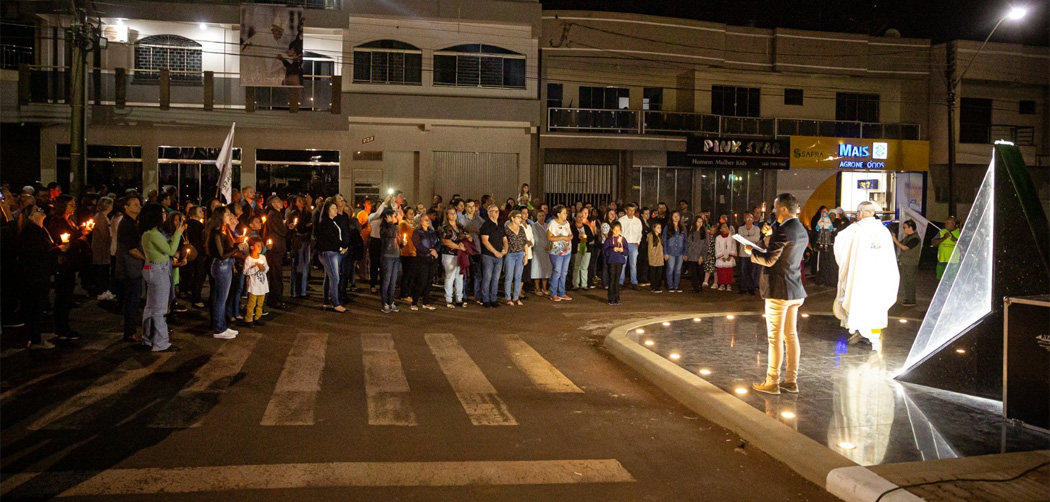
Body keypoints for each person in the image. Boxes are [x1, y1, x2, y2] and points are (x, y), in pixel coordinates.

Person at [745, 193, 809, 395]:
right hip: (795, 289)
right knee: (791, 336)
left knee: (775, 338)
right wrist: (768, 238)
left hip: (778, 290)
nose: (773, 211)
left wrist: (751, 252)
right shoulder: (800, 229)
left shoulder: (783, 230)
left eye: (775, 208)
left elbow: (770, 260)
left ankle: (772, 381)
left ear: (782, 209)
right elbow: (783, 255)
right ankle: (791, 380)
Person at [833, 201, 900, 353]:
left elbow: (840, 245)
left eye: (857, 214)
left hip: (859, 278)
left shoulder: (855, 230)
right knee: (875, 306)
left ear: (861, 213)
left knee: (857, 303)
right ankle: (873, 339)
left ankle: (859, 330)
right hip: (878, 278)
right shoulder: (883, 231)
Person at [20, 204, 68, 349]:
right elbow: (39, 253)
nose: (41, 210)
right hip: (36, 275)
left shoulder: (40, 230)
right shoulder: (31, 232)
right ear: (30, 217)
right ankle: (35, 339)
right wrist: (58, 249)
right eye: (37, 210)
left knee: (38, 306)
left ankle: (35, 337)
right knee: (36, 306)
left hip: (40, 273)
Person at [140, 203, 184, 352]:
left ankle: (147, 338)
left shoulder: (149, 233)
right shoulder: (153, 234)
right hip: (158, 269)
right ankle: (161, 343)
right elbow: (171, 250)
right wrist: (178, 233)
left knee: (150, 306)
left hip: (151, 268)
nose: (165, 215)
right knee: (159, 309)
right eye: (163, 213)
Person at [206, 206, 245, 339]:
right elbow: (222, 254)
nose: (230, 216)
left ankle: (222, 326)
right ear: (220, 217)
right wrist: (237, 249)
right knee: (220, 299)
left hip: (226, 265)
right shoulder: (216, 233)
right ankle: (219, 329)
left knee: (222, 298)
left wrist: (237, 244)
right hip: (221, 266)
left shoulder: (225, 231)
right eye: (227, 214)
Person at [116, 195, 145, 342]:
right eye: (134, 204)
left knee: (134, 298)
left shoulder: (133, 222)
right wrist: (146, 259)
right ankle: (130, 332)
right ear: (126, 207)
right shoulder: (127, 224)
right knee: (132, 299)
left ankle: (131, 330)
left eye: (139, 204)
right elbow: (131, 248)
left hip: (133, 265)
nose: (138, 207)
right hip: (130, 266)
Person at [316, 199, 347, 313]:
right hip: (329, 252)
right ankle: (335, 303)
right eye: (333, 208)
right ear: (328, 211)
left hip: (332, 251)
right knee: (335, 277)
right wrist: (343, 245)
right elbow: (333, 238)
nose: (335, 210)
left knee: (329, 277)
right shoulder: (326, 223)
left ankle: (326, 301)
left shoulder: (332, 221)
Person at [409, 211, 440, 311]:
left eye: (428, 219)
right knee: (422, 281)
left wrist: (435, 250)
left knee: (429, 281)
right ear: (420, 221)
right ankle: (414, 301)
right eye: (425, 219)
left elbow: (437, 242)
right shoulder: (417, 232)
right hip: (422, 258)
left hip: (432, 259)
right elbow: (418, 245)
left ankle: (426, 302)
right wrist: (428, 251)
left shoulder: (432, 231)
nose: (427, 221)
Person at [439, 207, 469, 308]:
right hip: (449, 254)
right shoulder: (445, 228)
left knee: (459, 276)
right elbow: (446, 241)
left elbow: (464, 236)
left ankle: (459, 298)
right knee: (450, 276)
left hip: (460, 255)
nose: (453, 215)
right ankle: (448, 299)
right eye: (451, 213)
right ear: (447, 215)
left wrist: (467, 239)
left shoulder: (460, 226)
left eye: (454, 213)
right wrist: (458, 247)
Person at [479, 204, 507, 308]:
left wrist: (505, 249)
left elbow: (505, 239)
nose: (496, 213)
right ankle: (485, 299)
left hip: (499, 255)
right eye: (494, 211)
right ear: (489, 212)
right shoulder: (486, 225)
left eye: (497, 211)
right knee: (487, 277)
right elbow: (485, 241)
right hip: (488, 255)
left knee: (496, 278)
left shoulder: (500, 225)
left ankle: (493, 298)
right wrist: (495, 252)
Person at [263, 195, 287, 309]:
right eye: (278, 201)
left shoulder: (276, 215)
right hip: (276, 248)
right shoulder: (273, 215)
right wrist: (285, 226)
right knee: (275, 274)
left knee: (276, 273)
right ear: (273, 204)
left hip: (278, 247)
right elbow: (281, 231)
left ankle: (276, 297)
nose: (281, 203)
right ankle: (274, 299)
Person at [91, 197, 116, 300]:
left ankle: (104, 290)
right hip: (101, 249)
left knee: (104, 270)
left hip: (103, 248)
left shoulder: (103, 217)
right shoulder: (101, 218)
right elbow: (104, 235)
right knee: (101, 271)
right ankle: (101, 291)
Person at [892, 220, 922, 307]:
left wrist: (895, 240)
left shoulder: (915, 238)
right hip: (906, 262)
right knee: (906, 281)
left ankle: (911, 300)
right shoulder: (909, 237)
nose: (903, 229)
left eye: (905, 227)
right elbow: (901, 244)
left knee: (910, 282)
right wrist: (895, 240)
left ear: (910, 227)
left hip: (911, 263)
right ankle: (908, 298)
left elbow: (905, 247)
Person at [288, 195, 313, 298]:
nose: (301, 202)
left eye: (303, 201)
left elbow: (310, 224)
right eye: (299, 201)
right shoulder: (293, 213)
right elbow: (293, 226)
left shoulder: (307, 213)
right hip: (298, 240)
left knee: (305, 265)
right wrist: (296, 227)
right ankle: (295, 291)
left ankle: (302, 290)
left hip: (305, 239)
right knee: (298, 265)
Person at [379, 208, 403, 313]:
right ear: (387, 218)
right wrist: (389, 224)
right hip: (387, 256)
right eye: (393, 216)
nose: (395, 218)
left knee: (393, 281)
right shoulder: (384, 228)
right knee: (386, 280)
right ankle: (384, 303)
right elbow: (390, 234)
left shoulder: (395, 227)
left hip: (396, 256)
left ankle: (391, 301)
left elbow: (398, 239)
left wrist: (402, 243)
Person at [547, 205, 573, 301]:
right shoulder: (552, 224)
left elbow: (570, 234)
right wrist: (562, 238)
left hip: (567, 251)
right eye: (564, 213)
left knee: (564, 272)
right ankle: (553, 292)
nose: (566, 214)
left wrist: (570, 237)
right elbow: (549, 237)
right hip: (556, 251)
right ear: (558, 214)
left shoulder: (567, 223)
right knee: (557, 271)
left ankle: (562, 292)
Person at [503, 210, 529, 306]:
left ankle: (516, 297)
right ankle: (508, 298)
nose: (520, 219)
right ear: (512, 218)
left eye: (520, 217)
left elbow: (525, 243)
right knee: (509, 276)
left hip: (520, 254)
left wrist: (526, 255)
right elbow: (504, 242)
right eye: (518, 217)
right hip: (510, 254)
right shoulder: (506, 229)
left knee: (518, 276)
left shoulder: (521, 229)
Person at [243, 237, 270, 327]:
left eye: (261, 246)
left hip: (262, 284)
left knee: (260, 303)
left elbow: (266, 268)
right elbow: (245, 272)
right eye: (257, 245)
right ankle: (249, 319)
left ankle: (258, 317)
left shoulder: (262, 257)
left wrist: (263, 268)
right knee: (252, 303)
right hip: (253, 285)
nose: (260, 247)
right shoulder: (249, 259)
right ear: (251, 247)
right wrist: (256, 267)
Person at [617, 203, 643, 288]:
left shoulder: (637, 221)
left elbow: (640, 233)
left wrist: (637, 242)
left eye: (633, 210)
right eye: (630, 210)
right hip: (624, 244)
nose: (631, 212)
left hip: (633, 244)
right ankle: (621, 282)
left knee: (633, 264)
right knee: (623, 264)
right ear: (626, 210)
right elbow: (619, 232)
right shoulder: (621, 220)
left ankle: (634, 282)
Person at [736, 213, 762, 295]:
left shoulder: (756, 229)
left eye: (750, 218)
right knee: (743, 271)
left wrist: (745, 239)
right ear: (744, 220)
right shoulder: (741, 228)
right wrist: (750, 239)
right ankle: (743, 287)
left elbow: (757, 238)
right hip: (743, 254)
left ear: (753, 220)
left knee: (753, 271)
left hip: (752, 254)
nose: (748, 220)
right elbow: (740, 239)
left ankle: (751, 288)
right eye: (747, 218)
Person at [603, 221, 628, 306]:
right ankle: (611, 298)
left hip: (620, 261)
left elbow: (626, 251)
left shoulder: (623, 239)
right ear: (612, 230)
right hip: (612, 261)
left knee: (617, 279)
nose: (617, 231)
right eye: (615, 229)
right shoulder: (609, 239)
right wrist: (612, 250)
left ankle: (617, 297)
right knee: (612, 278)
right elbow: (605, 251)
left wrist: (622, 250)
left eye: (618, 229)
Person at [570, 210, 594, 291]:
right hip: (576, 248)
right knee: (576, 266)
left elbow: (591, 237)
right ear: (575, 218)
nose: (580, 218)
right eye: (579, 217)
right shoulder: (572, 228)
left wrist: (586, 239)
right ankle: (575, 284)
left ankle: (584, 284)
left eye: (582, 217)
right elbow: (571, 239)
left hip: (585, 248)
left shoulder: (586, 227)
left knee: (584, 267)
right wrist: (578, 239)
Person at [684, 216, 709, 293]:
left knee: (700, 272)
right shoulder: (692, 232)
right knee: (694, 272)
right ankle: (695, 287)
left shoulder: (704, 233)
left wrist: (702, 256)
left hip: (700, 255)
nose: (700, 223)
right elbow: (688, 243)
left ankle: (699, 286)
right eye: (698, 222)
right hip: (692, 255)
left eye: (701, 222)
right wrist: (686, 254)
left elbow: (706, 245)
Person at [663, 212, 686, 293]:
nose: (676, 217)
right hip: (670, 252)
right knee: (670, 269)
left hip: (680, 252)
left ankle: (676, 285)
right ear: (671, 217)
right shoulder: (667, 228)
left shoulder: (682, 228)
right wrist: (665, 252)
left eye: (678, 216)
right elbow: (665, 240)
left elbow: (685, 241)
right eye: (674, 216)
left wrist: (685, 253)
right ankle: (670, 286)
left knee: (678, 270)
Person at [530, 209, 552, 295]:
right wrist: (545, 246)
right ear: (536, 217)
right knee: (537, 269)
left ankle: (544, 288)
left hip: (547, 250)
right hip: (538, 250)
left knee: (546, 268)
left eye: (543, 215)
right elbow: (537, 238)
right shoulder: (534, 226)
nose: (541, 217)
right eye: (539, 216)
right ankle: (537, 288)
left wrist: (550, 245)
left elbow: (551, 236)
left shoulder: (547, 225)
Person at [714, 223, 737, 291]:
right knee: (721, 272)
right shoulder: (718, 238)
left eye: (727, 226)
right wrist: (721, 256)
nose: (726, 228)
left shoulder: (731, 237)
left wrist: (730, 255)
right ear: (720, 229)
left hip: (729, 257)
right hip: (722, 258)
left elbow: (734, 246)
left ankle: (729, 284)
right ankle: (722, 284)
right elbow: (717, 248)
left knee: (729, 271)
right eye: (724, 227)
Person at [648, 222, 665, 292]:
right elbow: (650, 248)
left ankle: (657, 285)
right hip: (654, 258)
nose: (660, 229)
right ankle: (654, 286)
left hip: (660, 258)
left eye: (660, 228)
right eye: (658, 227)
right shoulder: (651, 236)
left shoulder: (660, 237)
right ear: (654, 228)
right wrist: (653, 256)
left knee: (659, 272)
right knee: (653, 272)